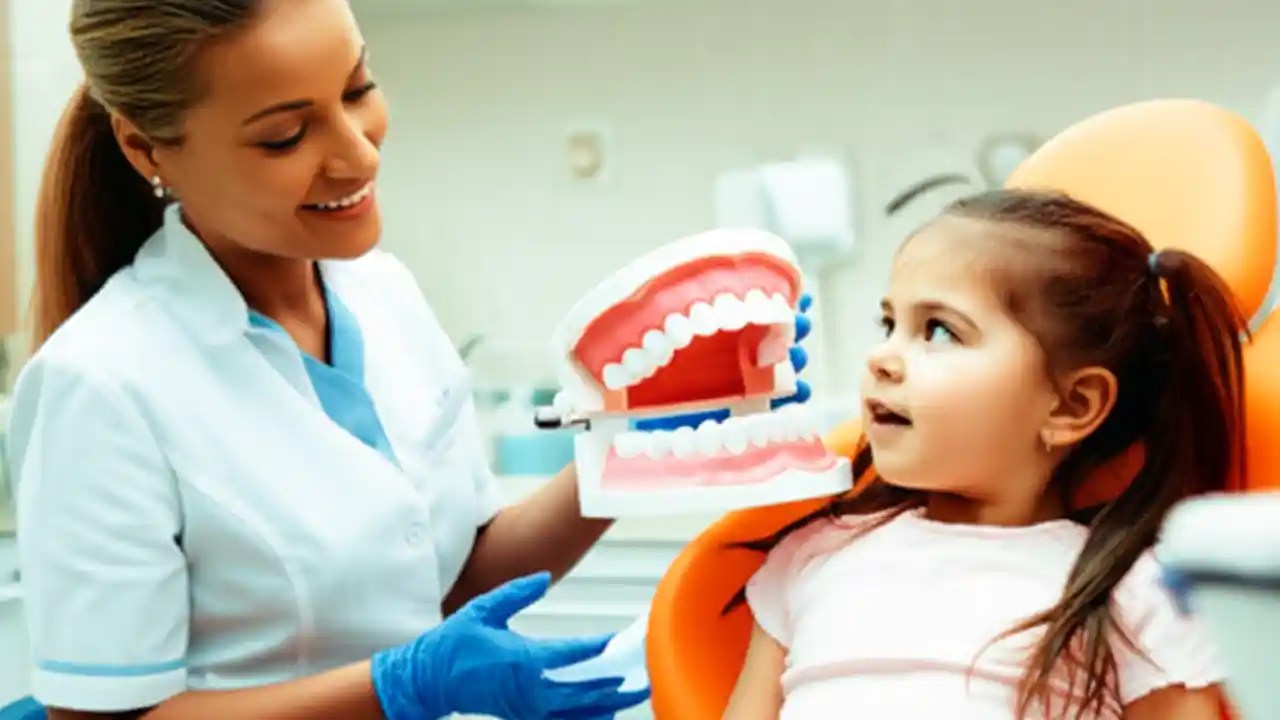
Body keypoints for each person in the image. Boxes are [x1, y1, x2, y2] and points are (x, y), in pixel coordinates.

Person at [4, 1, 812, 718]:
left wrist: (638, 437)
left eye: (357, 89)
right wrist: (400, 686)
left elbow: (452, 578)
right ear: (149, 150)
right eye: (286, 135)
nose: (358, 155)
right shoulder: (100, 384)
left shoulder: (381, 293)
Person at [723, 189, 1243, 720]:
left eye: (939, 331)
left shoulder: (1135, 597)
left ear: (1071, 405)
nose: (882, 357)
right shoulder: (811, 556)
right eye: (889, 325)